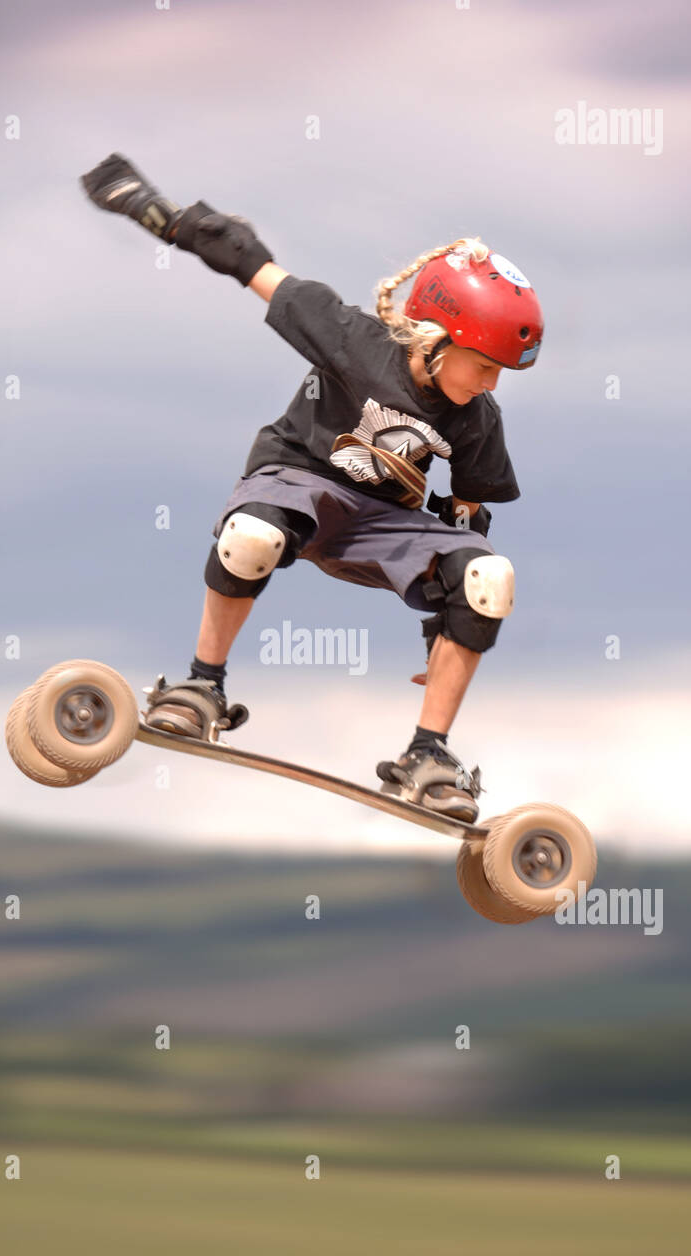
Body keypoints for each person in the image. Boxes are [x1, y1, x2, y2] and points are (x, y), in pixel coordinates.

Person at [81, 155, 544, 822]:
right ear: (436, 338)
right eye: (482, 366)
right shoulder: (351, 338)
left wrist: (447, 620)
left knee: (489, 580)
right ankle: (201, 687)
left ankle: (428, 756)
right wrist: (155, 212)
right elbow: (248, 261)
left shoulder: (476, 419)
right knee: (252, 537)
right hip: (297, 482)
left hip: (384, 522)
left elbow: (466, 521)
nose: (490, 384)